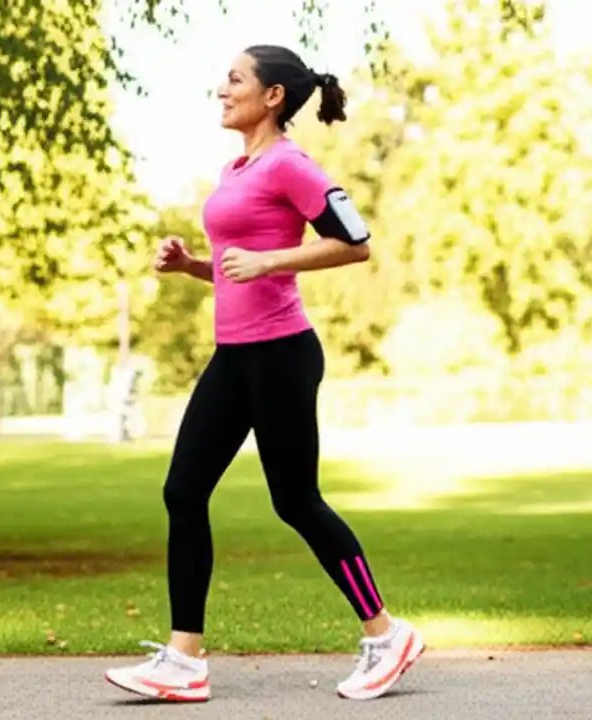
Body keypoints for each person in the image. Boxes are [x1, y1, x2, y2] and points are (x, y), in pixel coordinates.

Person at [104, 44, 424, 703]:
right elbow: (236, 265)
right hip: (235, 354)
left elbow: (356, 243)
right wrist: (194, 266)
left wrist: (274, 262)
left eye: (235, 79)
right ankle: (184, 659)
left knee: (295, 500)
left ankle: (387, 634)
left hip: (281, 355)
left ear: (271, 96)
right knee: (183, 491)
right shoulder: (236, 168)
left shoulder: (291, 164)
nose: (221, 89)